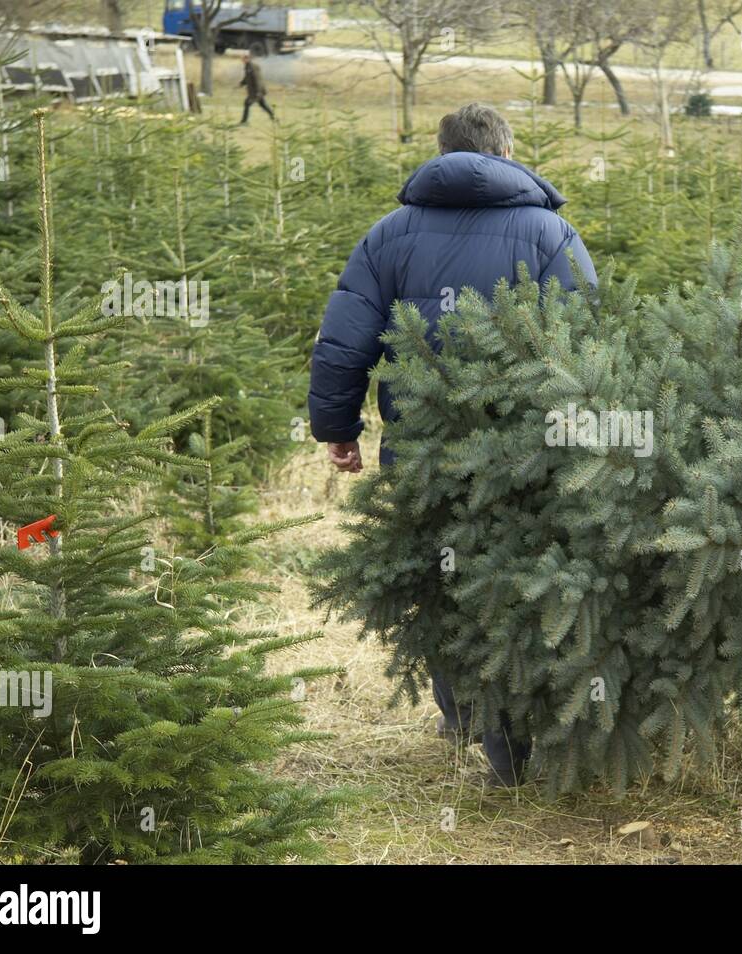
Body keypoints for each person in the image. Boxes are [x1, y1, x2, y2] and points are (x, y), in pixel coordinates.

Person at [308, 103, 597, 787]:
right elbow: (588, 340)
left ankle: (464, 712)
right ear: (506, 150)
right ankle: (512, 746)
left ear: (442, 151)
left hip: (420, 448)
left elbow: (344, 339)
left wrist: (338, 430)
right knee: (514, 582)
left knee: (442, 581)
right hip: (523, 450)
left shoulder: (390, 234)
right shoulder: (549, 232)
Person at [238, 52, 274, 124]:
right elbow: (247, 78)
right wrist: (241, 83)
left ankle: (244, 121)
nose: (242, 60)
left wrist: (258, 92)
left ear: (248, 58)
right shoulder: (248, 66)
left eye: (243, 58)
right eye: (242, 59)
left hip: (257, 91)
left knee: (247, 103)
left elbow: (258, 80)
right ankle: (274, 117)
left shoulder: (253, 67)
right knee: (263, 105)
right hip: (255, 91)